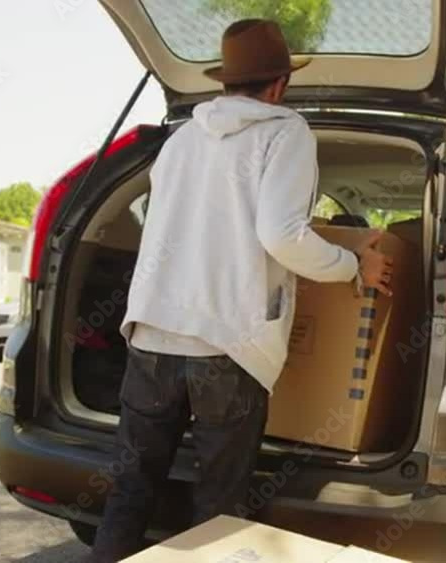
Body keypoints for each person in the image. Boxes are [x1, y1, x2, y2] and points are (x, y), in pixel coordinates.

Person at [86, 19, 393, 562]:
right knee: (220, 511)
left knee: (131, 490)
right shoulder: (284, 131)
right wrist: (353, 267)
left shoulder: (180, 141)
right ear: (279, 85)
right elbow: (281, 235)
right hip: (225, 350)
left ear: (224, 83)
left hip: (153, 336)